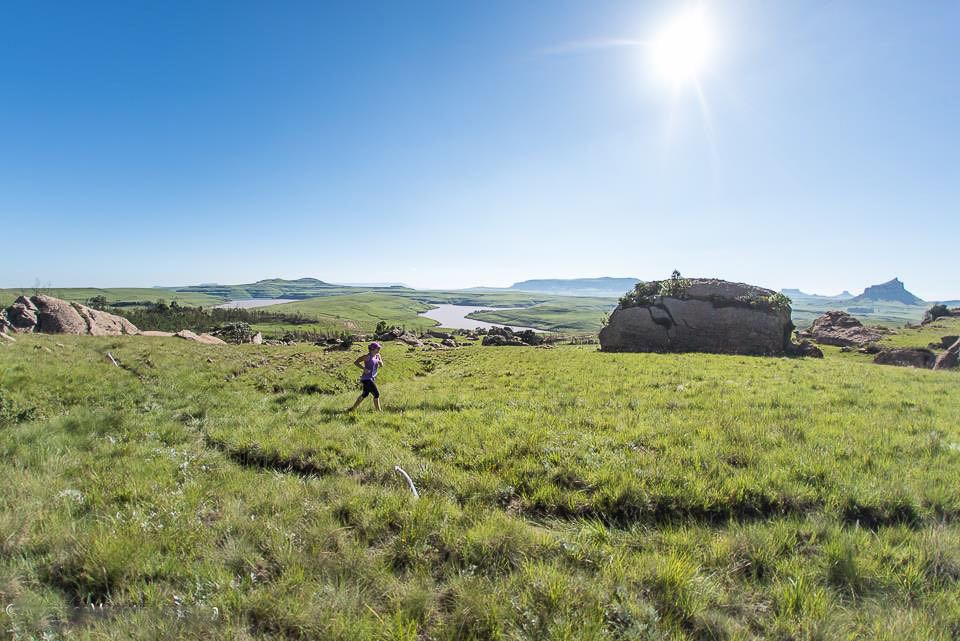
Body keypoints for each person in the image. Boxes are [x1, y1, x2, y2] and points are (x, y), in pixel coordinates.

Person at [347, 342, 383, 412]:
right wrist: (364, 368)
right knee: (376, 394)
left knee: (365, 394)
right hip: (366, 379)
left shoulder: (377, 355)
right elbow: (356, 362)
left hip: (371, 378)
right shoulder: (367, 357)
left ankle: (352, 409)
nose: (379, 349)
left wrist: (379, 361)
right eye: (377, 348)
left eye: (379, 348)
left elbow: (381, 365)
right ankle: (378, 411)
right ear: (372, 349)